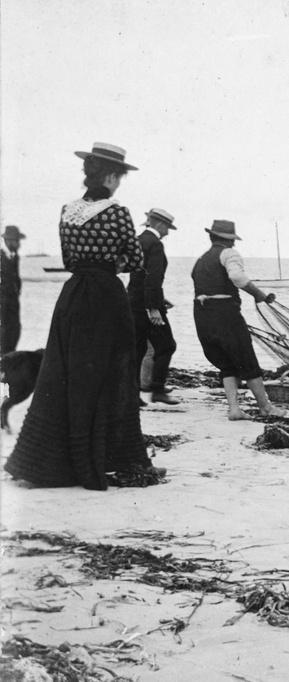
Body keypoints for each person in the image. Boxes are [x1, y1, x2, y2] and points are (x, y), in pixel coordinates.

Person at [3, 142, 164, 491]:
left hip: (74, 297)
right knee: (114, 377)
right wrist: (117, 262)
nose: (119, 183)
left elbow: (69, 259)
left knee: (62, 375)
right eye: (119, 177)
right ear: (110, 176)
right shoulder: (117, 212)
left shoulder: (67, 210)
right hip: (107, 296)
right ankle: (115, 459)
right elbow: (136, 260)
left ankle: (48, 461)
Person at [191, 219, 286, 420]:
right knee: (247, 358)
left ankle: (234, 410)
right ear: (228, 240)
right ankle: (266, 407)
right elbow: (237, 278)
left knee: (226, 363)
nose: (234, 243)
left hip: (201, 314)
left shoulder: (200, 259)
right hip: (225, 313)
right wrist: (259, 294)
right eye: (232, 239)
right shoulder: (229, 253)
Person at [128, 208, 178, 405]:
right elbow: (153, 276)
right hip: (147, 308)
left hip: (133, 303)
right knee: (166, 346)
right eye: (167, 228)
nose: (167, 232)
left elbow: (137, 276)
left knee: (137, 348)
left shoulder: (138, 241)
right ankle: (157, 389)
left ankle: (132, 395)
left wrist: (158, 299)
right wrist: (154, 307)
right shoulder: (156, 244)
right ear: (160, 225)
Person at [1, 225, 25, 354]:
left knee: (14, 334)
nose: (19, 244)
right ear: (8, 241)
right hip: (4, 307)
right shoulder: (1, 257)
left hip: (13, 307)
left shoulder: (15, 257)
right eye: (17, 240)